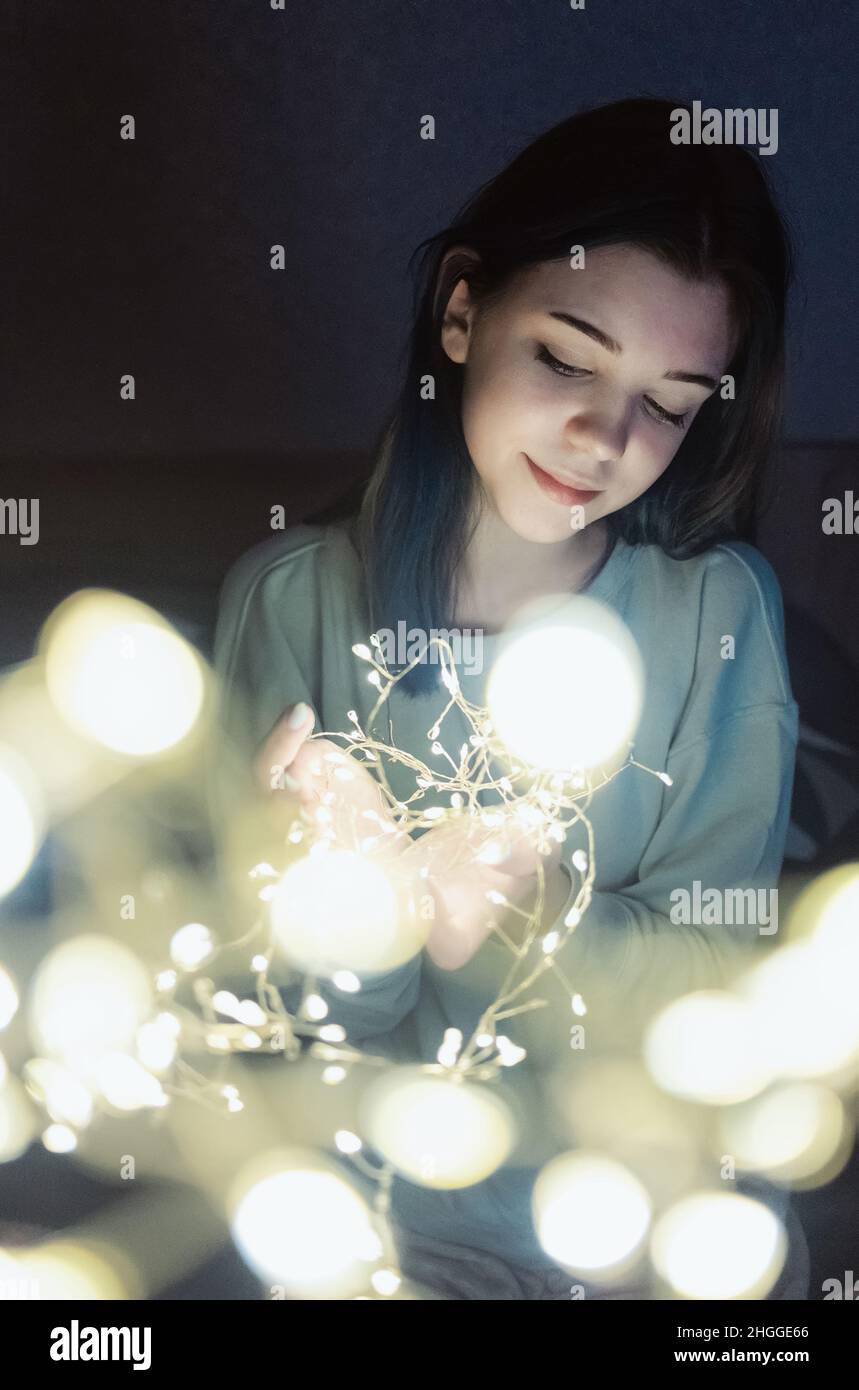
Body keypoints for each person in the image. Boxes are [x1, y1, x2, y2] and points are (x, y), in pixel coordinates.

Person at [212, 98, 808, 1299]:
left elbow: (727, 987)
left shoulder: (717, 619)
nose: (602, 437)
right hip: (377, 1235)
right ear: (463, 310)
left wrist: (537, 927)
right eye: (564, 358)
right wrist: (356, 920)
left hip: (659, 1233)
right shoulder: (294, 606)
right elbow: (263, 1036)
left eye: (672, 404)